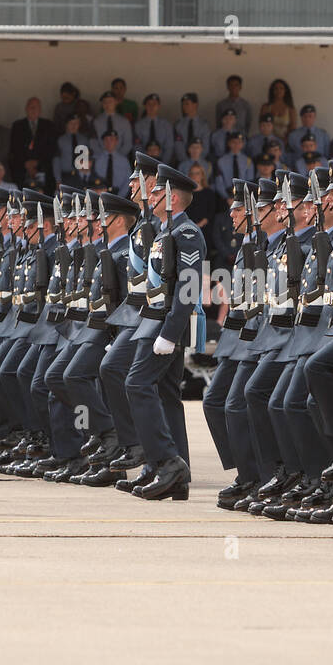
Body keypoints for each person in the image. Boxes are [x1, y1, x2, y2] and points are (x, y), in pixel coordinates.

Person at [121, 165, 207, 500]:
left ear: (172, 198)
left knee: (137, 384)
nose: (150, 196)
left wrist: (170, 334)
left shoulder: (186, 233)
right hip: (154, 321)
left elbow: (188, 288)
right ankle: (173, 474)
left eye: (157, 192)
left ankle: (167, 461)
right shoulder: (163, 231)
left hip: (166, 325)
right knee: (167, 395)